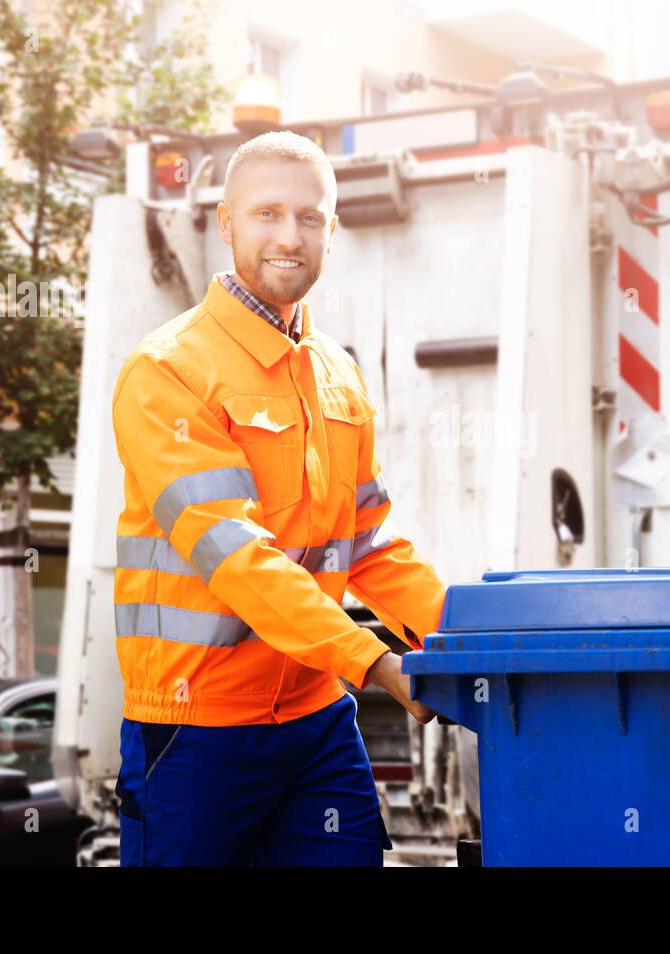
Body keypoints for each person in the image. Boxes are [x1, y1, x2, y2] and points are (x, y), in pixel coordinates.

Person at [110, 130, 446, 866]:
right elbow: (236, 557)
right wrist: (377, 660)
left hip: (314, 722)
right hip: (196, 730)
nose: (288, 236)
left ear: (332, 229)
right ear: (227, 223)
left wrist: (470, 634)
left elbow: (370, 543)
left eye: (309, 217)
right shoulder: (169, 372)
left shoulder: (338, 374)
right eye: (266, 214)